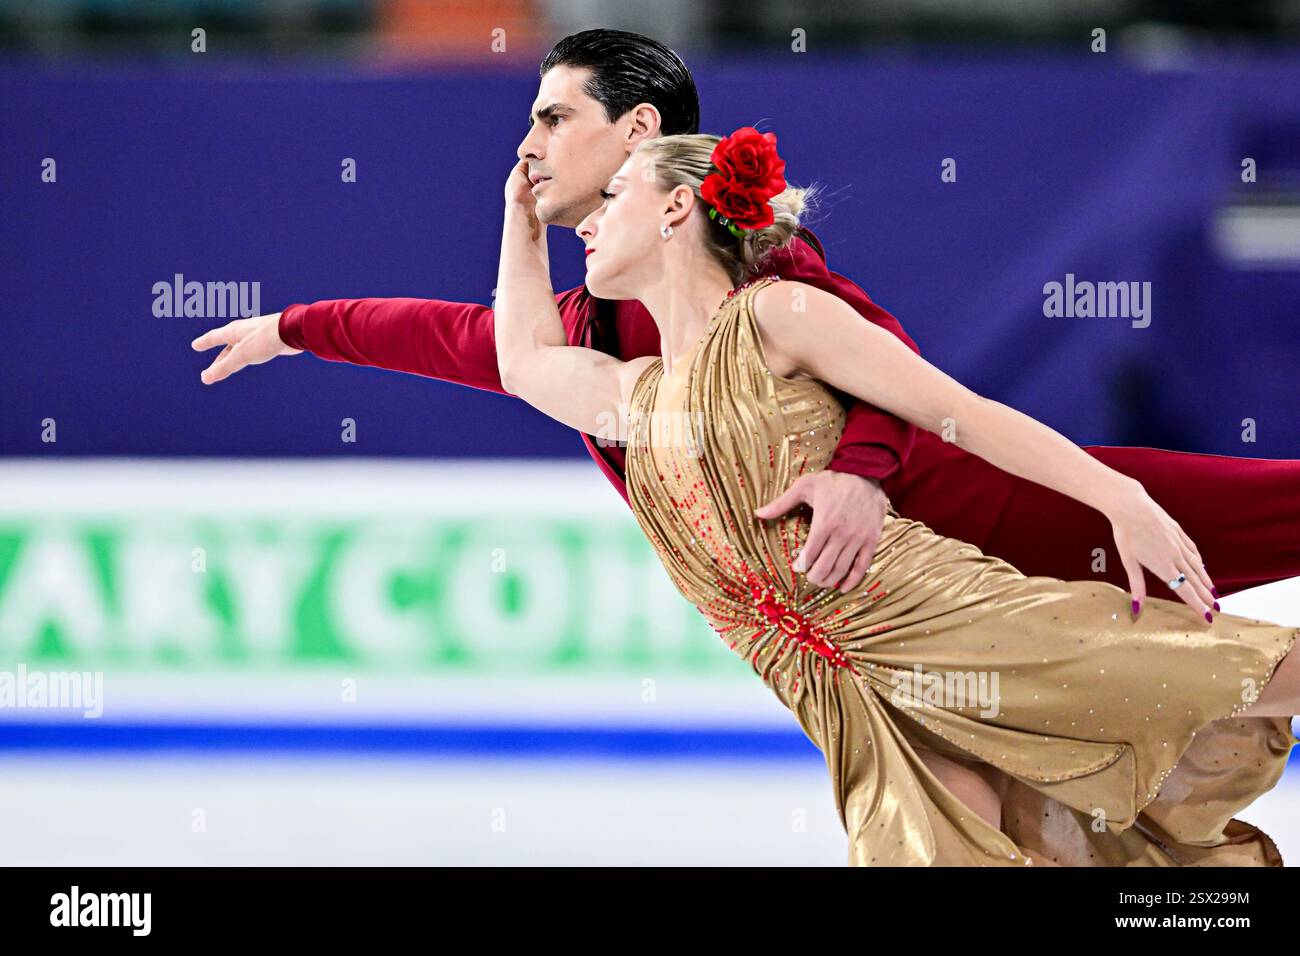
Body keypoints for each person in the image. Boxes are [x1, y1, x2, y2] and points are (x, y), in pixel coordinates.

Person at [189, 28, 1300, 606]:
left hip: (960, 525)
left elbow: (900, 380)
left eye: (549, 116)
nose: (525, 140)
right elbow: (461, 339)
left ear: (636, 140)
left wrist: (862, 471)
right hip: (850, 614)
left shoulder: (763, 266)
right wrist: (294, 324)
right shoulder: (582, 336)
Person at [490, 123, 1299, 866]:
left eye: (610, 194)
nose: (586, 222)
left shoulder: (778, 315)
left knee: (1227, 677)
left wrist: (1121, 499)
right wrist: (518, 216)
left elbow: (963, 416)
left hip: (956, 624)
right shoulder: (636, 397)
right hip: (858, 703)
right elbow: (522, 361)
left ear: (675, 205)